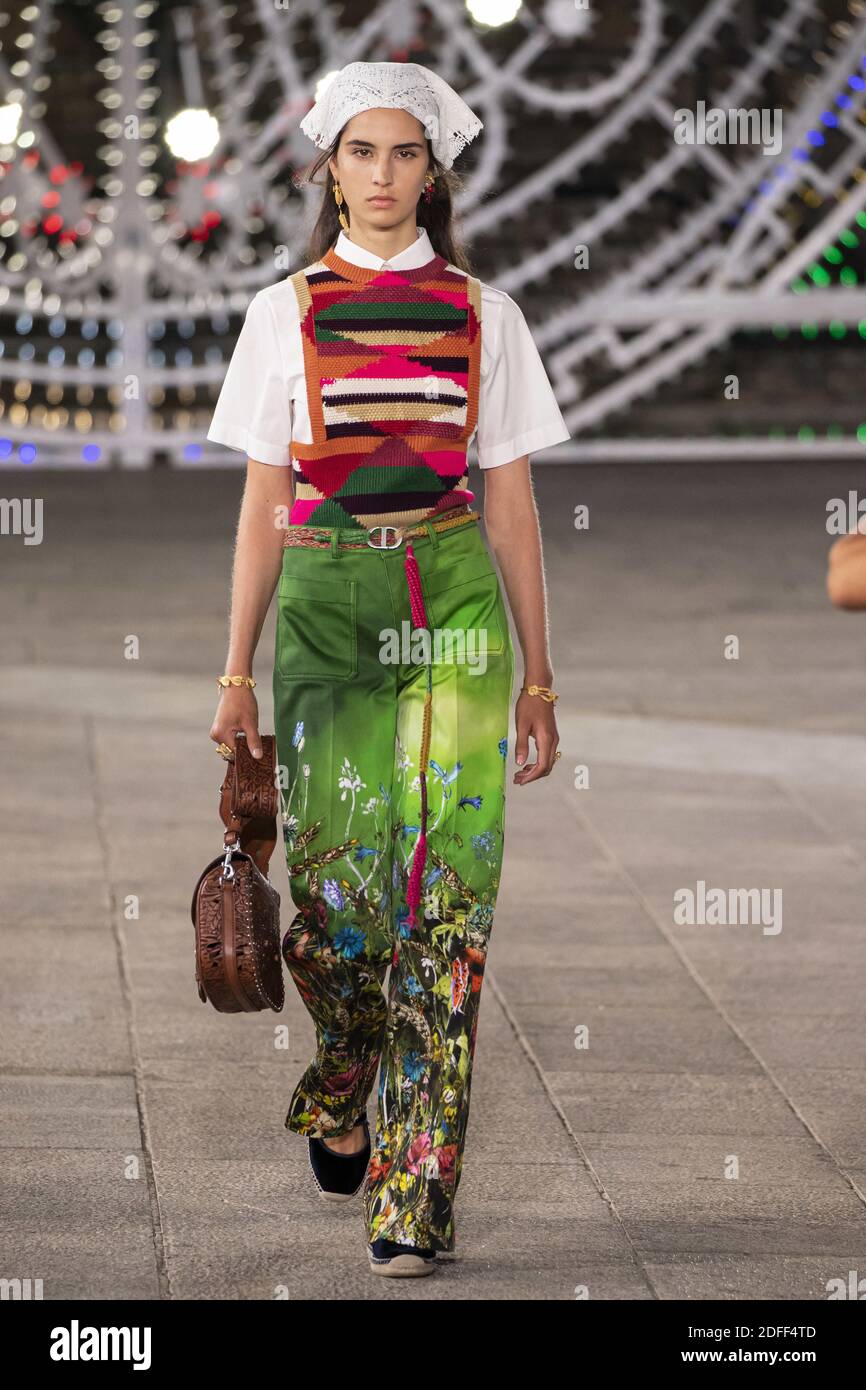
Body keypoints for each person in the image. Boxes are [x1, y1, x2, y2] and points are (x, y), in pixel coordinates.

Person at [205, 60, 572, 1277]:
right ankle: (344, 1071)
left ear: (434, 168)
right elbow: (263, 501)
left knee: (449, 901)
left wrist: (537, 677)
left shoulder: (487, 313)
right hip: (322, 607)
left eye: (402, 153)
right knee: (341, 908)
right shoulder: (284, 312)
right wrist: (233, 672)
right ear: (326, 166)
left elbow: (511, 502)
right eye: (359, 152)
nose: (379, 175)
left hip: (456, 595)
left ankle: (415, 1192)